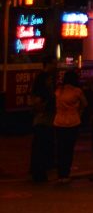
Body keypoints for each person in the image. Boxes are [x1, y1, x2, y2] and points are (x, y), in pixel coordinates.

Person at [53, 69, 87, 184]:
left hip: (59, 121)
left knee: (60, 149)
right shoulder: (77, 92)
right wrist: (79, 112)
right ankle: (66, 174)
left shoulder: (58, 91)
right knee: (69, 149)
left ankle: (60, 174)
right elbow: (85, 104)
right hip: (73, 122)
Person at [29, 55, 58, 183]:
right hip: (43, 116)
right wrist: (40, 108)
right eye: (53, 63)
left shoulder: (50, 77)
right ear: (47, 64)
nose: (55, 65)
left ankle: (40, 171)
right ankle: (39, 172)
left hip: (47, 116)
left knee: (44, 143)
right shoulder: (42, 78)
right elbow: (37, 96)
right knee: (41, 144)